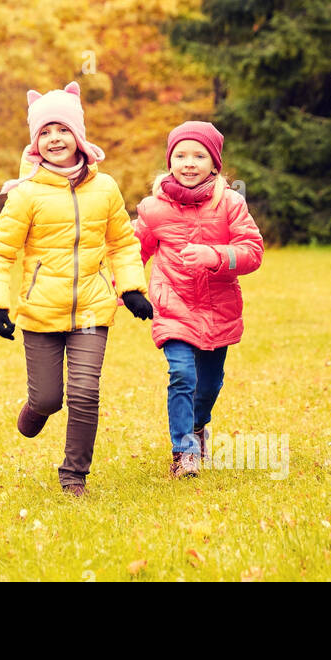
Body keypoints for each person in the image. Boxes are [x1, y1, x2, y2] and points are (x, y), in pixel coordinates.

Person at [0, 81, 152, 496]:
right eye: (45, 132)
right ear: (36, 142)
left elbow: (122, 243)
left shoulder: (105, 188)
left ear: (79, 135)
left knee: (85, 393)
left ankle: (74, 475)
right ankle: (35, 412)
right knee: (49, 399)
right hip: (41, 312)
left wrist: (130, 289)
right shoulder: (27, 195)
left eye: (62, 130)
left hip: (92, 309)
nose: (54, 138)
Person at [132, 121, 263, 479]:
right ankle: (184, 452)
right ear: (169, 161)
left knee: (208, 386)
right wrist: (124, 289)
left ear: (214, 163)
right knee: (181, 374)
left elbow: (253, 252)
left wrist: (215, 256)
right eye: (181, 155)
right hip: (172, 304)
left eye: (199, 155)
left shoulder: (231, 203)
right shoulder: (153, 208)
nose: (189, 163)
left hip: (218, 309)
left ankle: (199, 424)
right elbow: (131, 253)